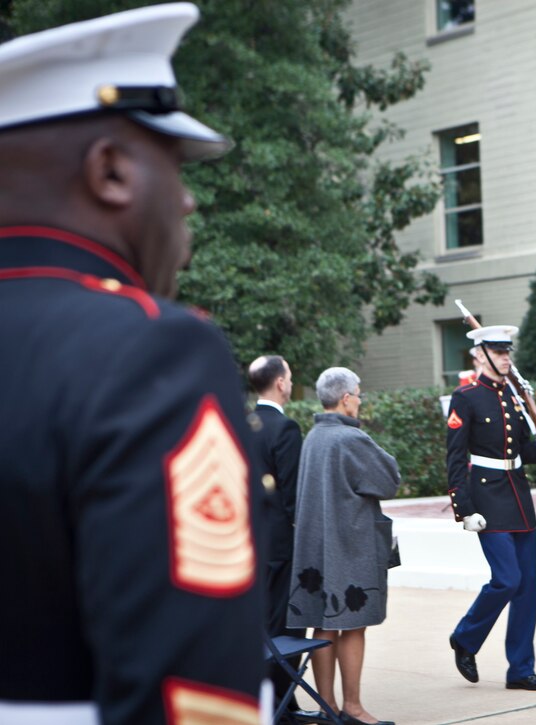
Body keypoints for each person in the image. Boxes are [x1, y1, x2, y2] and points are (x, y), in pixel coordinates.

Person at [0, 5, 265, 722]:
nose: (186, 201)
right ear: (111, 170)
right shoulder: (149, 349)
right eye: (173, 166)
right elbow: (195, 695)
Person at [446, 325, 536, 690]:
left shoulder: (513, 395)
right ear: (479, 355)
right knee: (507, 580)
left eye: (507, 351)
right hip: (486, 498)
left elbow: (520, 450)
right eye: (498, 352)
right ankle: (466, 637)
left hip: (518, 497)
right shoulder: (465, 397)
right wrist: (463, 508)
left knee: (527, 586)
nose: (505, 357)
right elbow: (454, 457)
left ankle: (521, 669)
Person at [288, 367, 399, 725]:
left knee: (324, 623)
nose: (361, 400)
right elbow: (388, 481)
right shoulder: (350, 440)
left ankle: (328, 707)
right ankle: (352, 707)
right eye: (359, 393)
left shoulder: (314, 436)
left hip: (317, 545)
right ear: (346, 398)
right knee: (353, 624)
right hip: (350, 543)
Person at [247, 355, 304, 708]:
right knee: (285, 628)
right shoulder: (285, 428)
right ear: (280, 383)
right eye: (290, 377)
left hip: (246, 539)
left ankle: (266, 697)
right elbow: (293, 493)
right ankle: (280, 701)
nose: (291, 383)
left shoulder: (241, 422)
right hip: (280, 544)